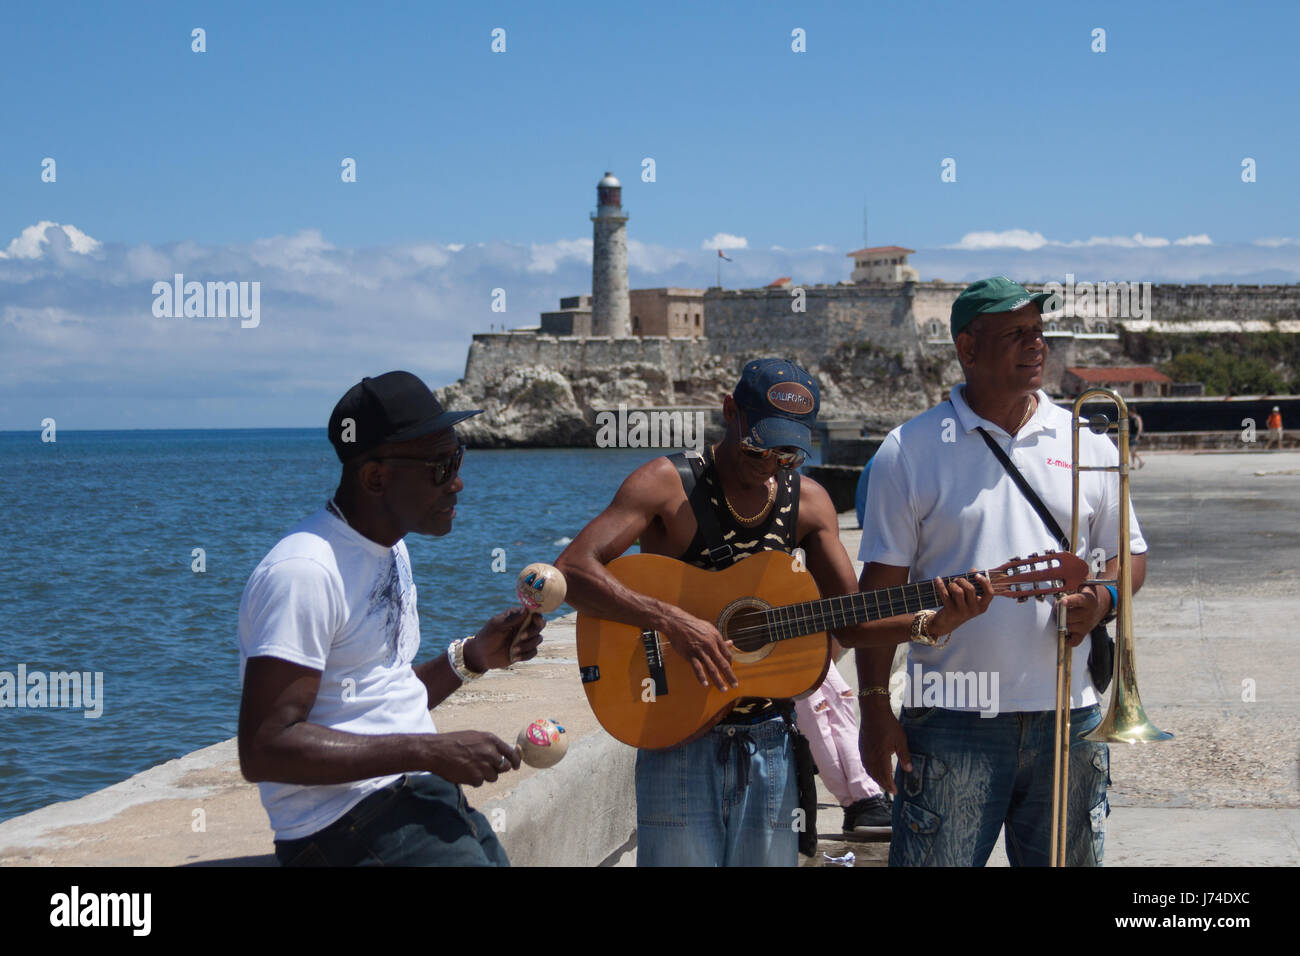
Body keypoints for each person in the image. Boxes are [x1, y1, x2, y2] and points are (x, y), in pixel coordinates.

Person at [556, 358, 989, 866]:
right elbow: (573, 570)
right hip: (676, 737)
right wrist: (672, 621)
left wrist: (931, 624)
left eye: (789, 450)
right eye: (761, 443)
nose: (772, 461)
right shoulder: (666, 484)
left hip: (772, 741)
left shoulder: (807, 502)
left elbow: (850, 620)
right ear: (729, 412)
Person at [854, 276, 1149, 867]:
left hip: (1071, 718)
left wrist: (1105, 598)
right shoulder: (908, 450)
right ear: (967, 348)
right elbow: (874, 602)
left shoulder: (1088, 441)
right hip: (950, 722)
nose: (1035, 345)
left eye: (1038, 333)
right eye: (1016, 334)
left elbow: (1129, 555)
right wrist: (875, 708)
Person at [237, 370, 545, 867]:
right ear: (376, 477)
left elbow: (377, 699)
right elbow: (264, 748)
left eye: (458, 457)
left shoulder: (389, 549)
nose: (458, 481)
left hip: (414, 798)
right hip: (341, 827)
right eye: (440, 467)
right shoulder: (304, 572)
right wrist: (427, 752)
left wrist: (473, 657)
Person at [794, 642, 892, 833]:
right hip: (784, 647)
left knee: (839, 699)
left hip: (805, 638)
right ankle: (862, 802)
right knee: (813, 716)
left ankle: (862, 802)